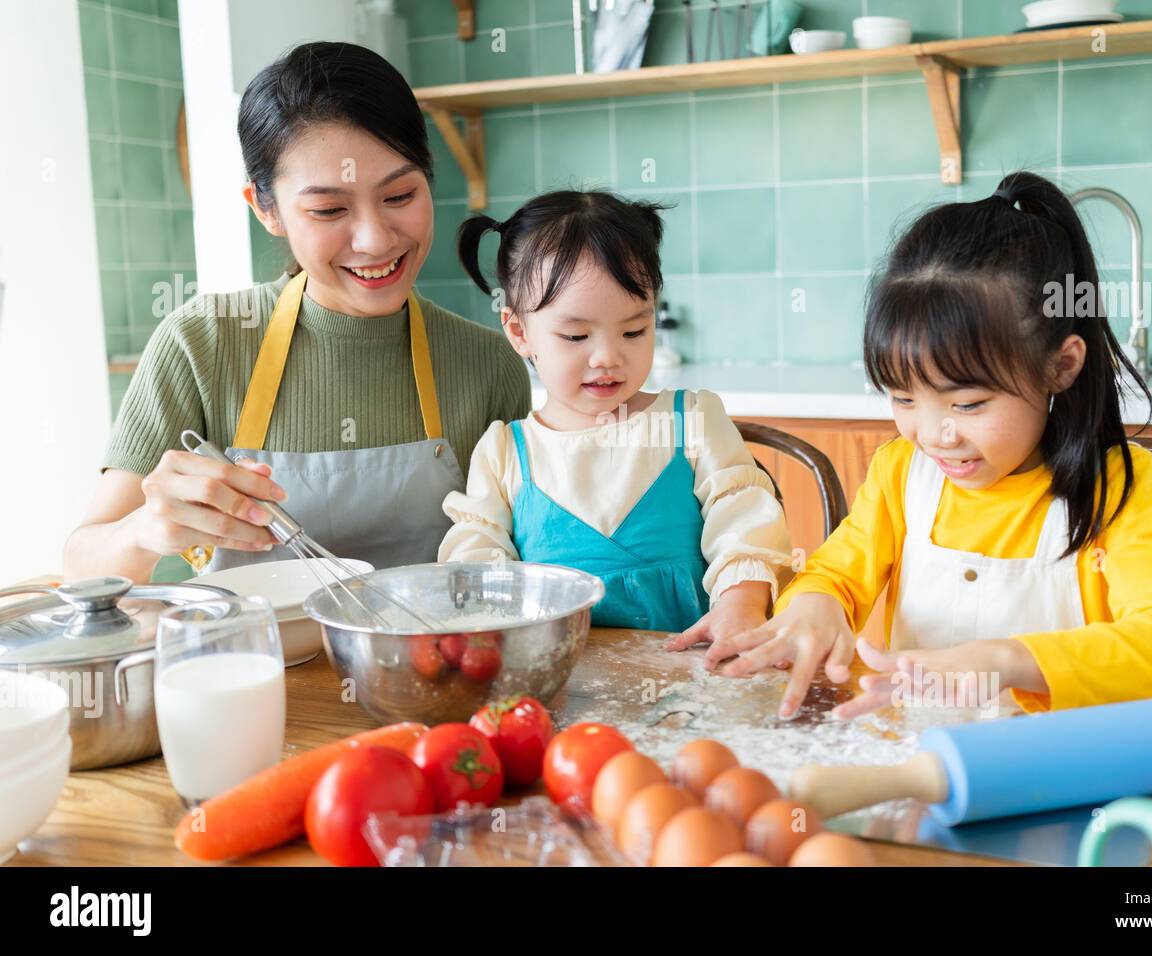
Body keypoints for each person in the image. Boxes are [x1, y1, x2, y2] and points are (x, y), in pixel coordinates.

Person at [711, 171, 1152, 719]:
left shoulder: (1113, 489)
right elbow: (835, 575)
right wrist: (814, 606)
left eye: (968, 405)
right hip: (920, 766)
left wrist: (1007, 659)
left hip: (1057, 780)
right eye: (904, 398)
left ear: (1062, 365)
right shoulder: (900, 473)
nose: (935, 435)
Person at [65, 42, 529, 582]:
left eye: (400, 195)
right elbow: (82, 564)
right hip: (259, 666)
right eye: (329, 209)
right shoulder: (202, 343)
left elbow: (526, 562)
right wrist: (144, 529)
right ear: (267, 209)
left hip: (433, 665)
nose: (376, 239)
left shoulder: (488, 363)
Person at [438, 190, 792, 641]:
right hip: (564, 681)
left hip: (692, 668)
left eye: (633, 330)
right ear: (519, 332)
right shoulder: (505, 452)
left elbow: (743, 517)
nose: (607, 356)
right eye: (575, 336)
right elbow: (477, 559)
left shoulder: (693, 419)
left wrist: (741, 604)